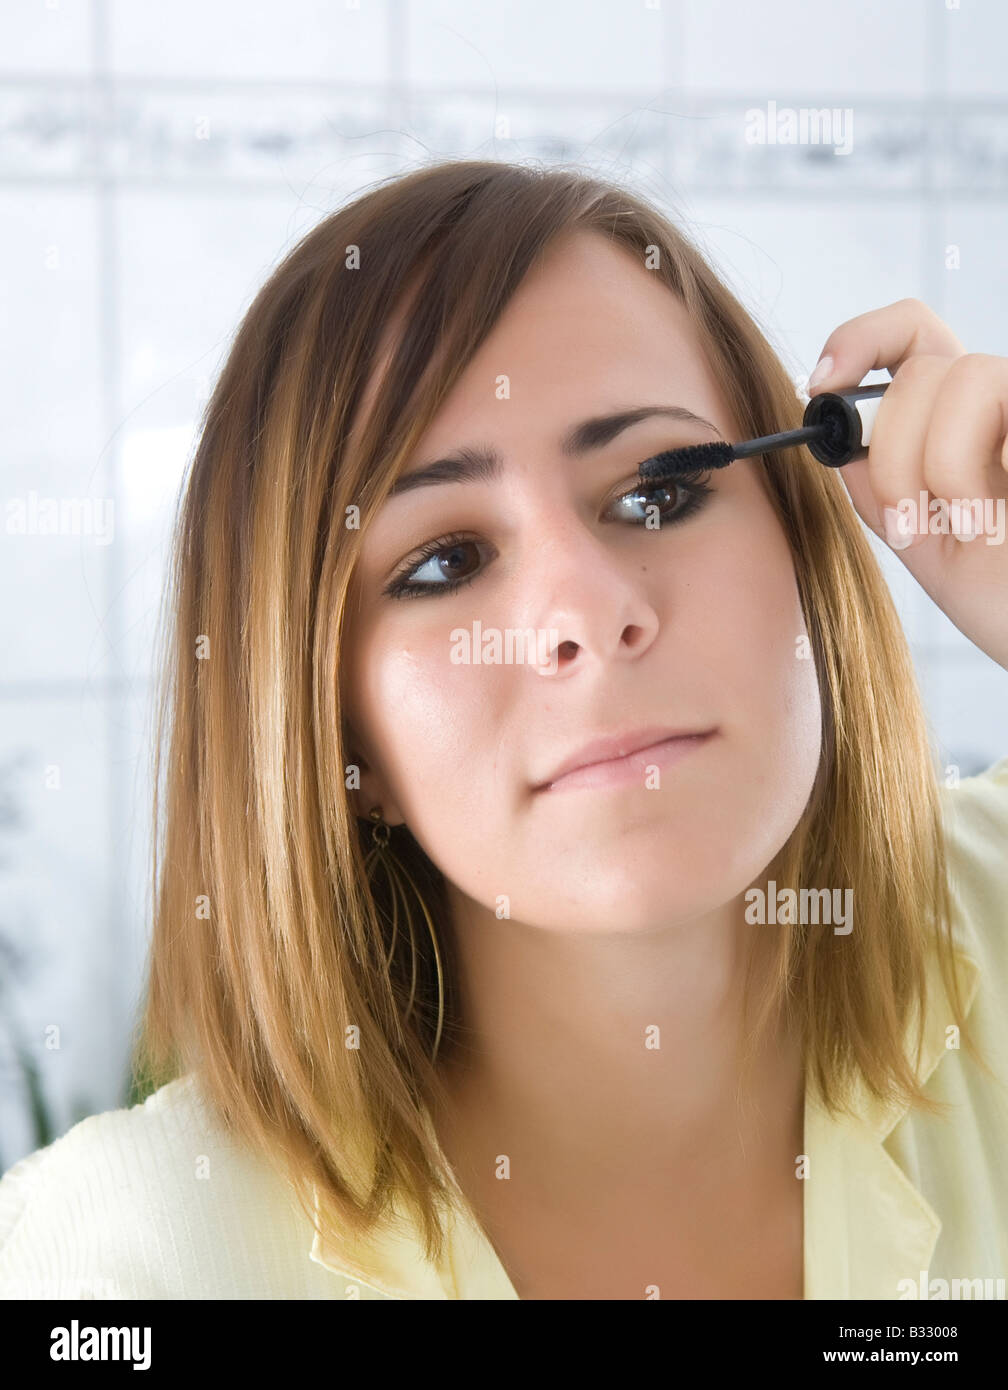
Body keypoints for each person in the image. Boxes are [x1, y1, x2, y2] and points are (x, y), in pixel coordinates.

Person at [1, 160, 1006, 1301]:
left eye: (658, 494)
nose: (587, 611)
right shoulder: (119, 1264)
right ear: (336, 737)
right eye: (444, 563)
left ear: (803, 537)